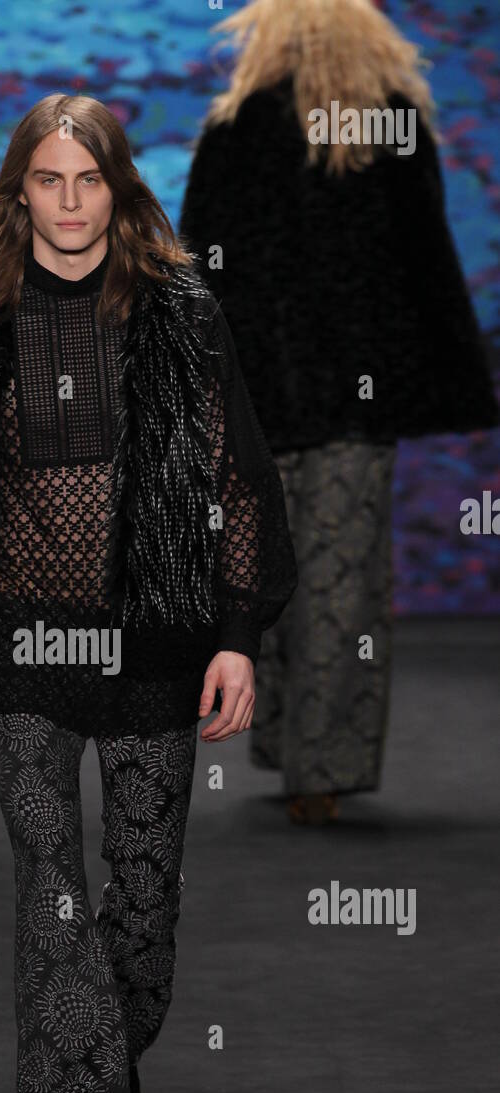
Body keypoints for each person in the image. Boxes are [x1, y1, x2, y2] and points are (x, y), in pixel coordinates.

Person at [0, 92, 297, 1093]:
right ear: (17, 191)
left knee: (145, 896)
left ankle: (105, 1067)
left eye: (89, 179)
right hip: (18, 646)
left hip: (152, 645)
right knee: (52, 888)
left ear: (118, 187)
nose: (69, 202)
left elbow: (233, 481)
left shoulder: (178, 314)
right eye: (47, 180)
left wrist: (234, 636)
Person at [179, 0, 498, 827]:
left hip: (263, 392)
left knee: (268, 572)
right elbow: (428, 256)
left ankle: (282, 742)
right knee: (345, 580)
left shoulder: (236, 127)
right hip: (362, 394)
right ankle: (323, 769)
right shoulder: (392, 128)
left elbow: (200, 266)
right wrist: (460, 381)